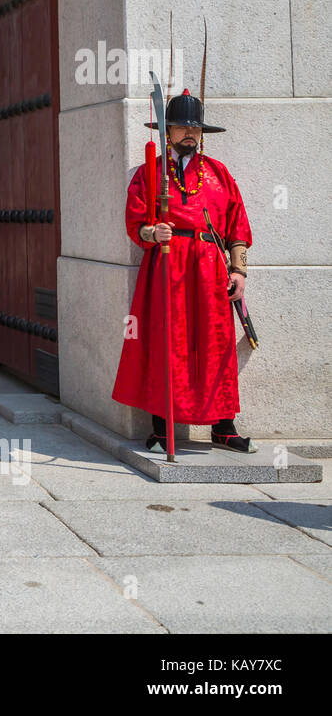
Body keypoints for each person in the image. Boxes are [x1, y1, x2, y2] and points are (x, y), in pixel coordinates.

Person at [111, 87, 255, 453]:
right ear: (168, 131)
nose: (189, 134)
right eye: (180, 127)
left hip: (210, 269)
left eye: (194, 128)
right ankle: (163, 428)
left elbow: (237, 225)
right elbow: (135, 221)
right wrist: (151, 231)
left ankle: (223, 427)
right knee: (166, 342)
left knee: (216, 345)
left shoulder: (219, 174)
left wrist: (237, 271)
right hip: (168, 266)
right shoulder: (151, 172)